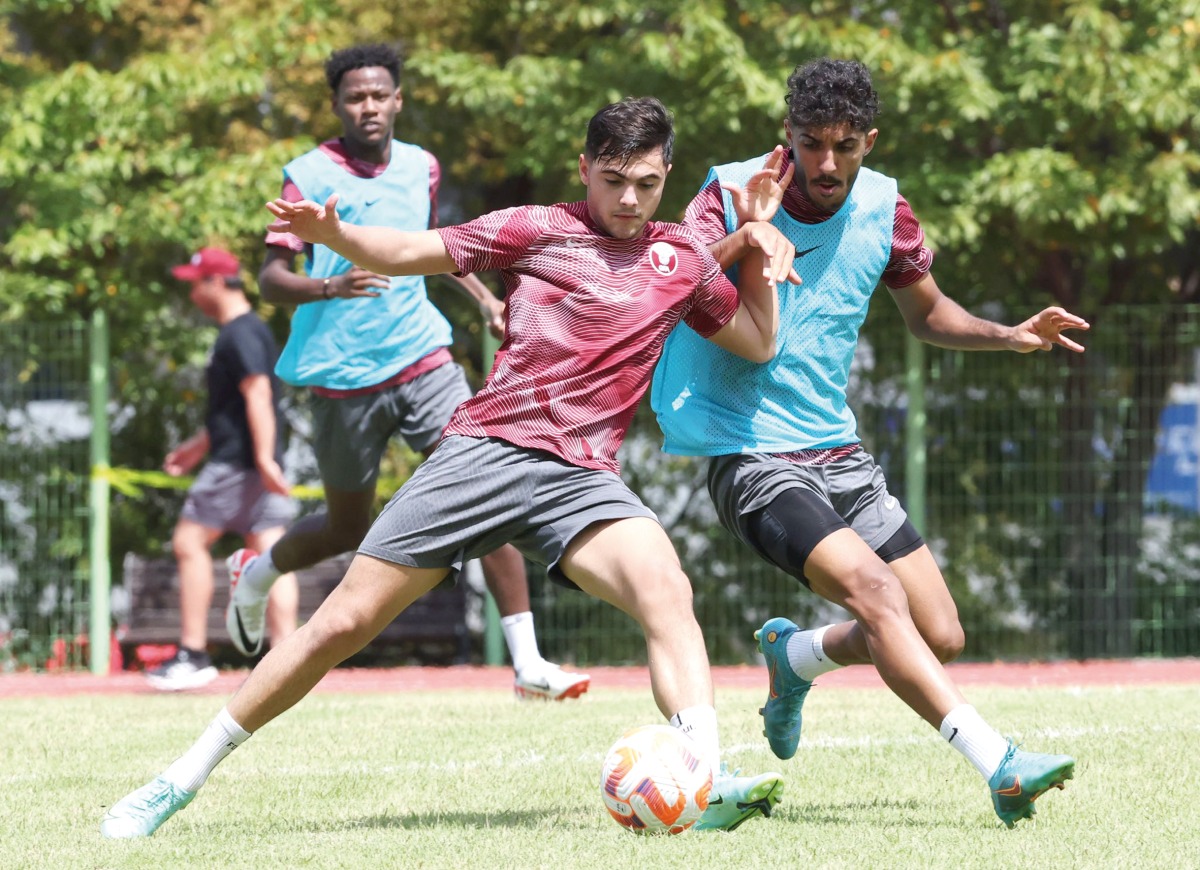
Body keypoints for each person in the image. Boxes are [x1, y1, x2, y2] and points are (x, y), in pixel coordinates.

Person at [101, 96, 799, 839]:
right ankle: (179, 779)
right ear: (584, 168)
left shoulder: (681, 259)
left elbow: (757, 341)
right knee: (343, 621)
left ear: (666, 177)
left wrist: (759, 244)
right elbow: (410, 253)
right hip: (486, 452)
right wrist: (337, 235)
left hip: (581, 477)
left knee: (666, 587)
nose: (629, 199)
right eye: (613, 179)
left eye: (648, 184)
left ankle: (704, 773)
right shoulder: (536, 228)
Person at [650, 59, 1087, 829]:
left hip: (836, 450)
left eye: (844, 146)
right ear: (786, 135)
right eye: (810, 143)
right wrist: (750, 231)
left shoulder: (888, 208)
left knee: (940, 634)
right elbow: (668, 280)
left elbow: (927, 313)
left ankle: (797, 658)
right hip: (748, 450)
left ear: (868, 141)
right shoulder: (730, 189)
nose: (825, 164)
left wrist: (1007, 335)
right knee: (879, 595)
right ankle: (999, 762)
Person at [231, 43, 583, 700]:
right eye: (354, 97)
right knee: (345, 529)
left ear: (398, 100)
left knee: (485, 486)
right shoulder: (305, 175)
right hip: (341, 377)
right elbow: (271, 280)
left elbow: (431, 251)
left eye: (378, 95)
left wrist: (484, 301)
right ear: (337, 106)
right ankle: (255, 575)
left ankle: (529, 665)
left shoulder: (421, 166)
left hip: (423, 358)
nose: (368, 106)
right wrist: (330, 289)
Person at [147, 246, 299, 691]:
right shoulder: (249, 331)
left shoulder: (239, 334)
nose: (192, 293)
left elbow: (257, 396)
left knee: (188, 541)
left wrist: (264, 457)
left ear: (216, 282)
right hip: (249, 458)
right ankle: (286, 662)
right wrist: (197, 447)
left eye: (195, 283)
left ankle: (192, 655)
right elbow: (236, 408)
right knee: (269, 554)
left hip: (240, 463)